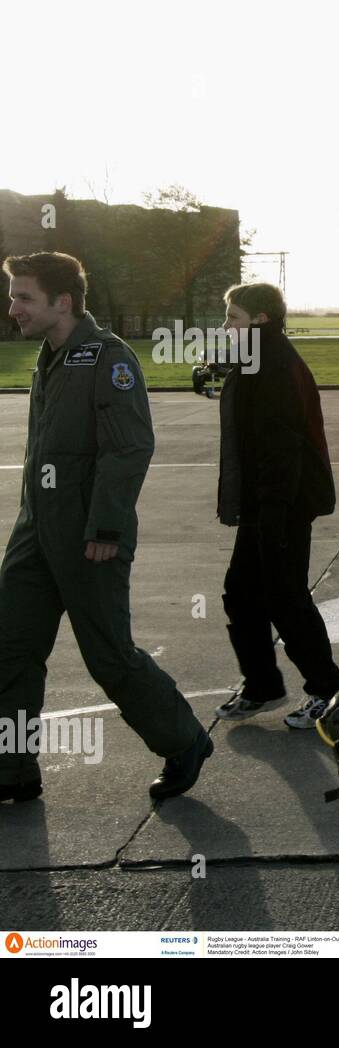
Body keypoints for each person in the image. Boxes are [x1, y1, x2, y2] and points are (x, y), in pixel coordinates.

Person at [0, 252, 211, 802]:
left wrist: (107, 528)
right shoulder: (50, 356)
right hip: (36, 531)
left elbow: (129, 446)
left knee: (108, 655)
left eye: (23, 296)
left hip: (89, 534)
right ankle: (12, 769)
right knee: (9, 649)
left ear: (62, 302)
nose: (12, 306)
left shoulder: (106, 359)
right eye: (13, 295)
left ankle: (184, 740)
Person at [213, 283, 339, 728]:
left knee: (286, 599)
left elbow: (282, 447)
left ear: (260, 320)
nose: (226, 325)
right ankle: (263, 685)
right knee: (242, 595)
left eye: (233, 317)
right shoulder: (259, 360)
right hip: (265, 505)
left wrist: (272, 513)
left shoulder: (274, 365)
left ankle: (330, 693)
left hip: (282, 506)